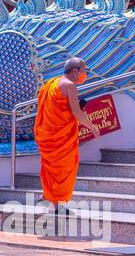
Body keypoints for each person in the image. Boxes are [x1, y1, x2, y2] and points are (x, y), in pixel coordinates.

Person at [33, 57, 99, 211]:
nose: (84, 74)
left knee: (51, 168)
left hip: (47, 134)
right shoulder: (69, 86)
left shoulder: (52, 83)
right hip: (60, 137)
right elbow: (77, 113)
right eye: (83, 71)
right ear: (75, 71)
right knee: (63, 170)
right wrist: (92, 127)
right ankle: (57, 205)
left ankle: (46, 196)